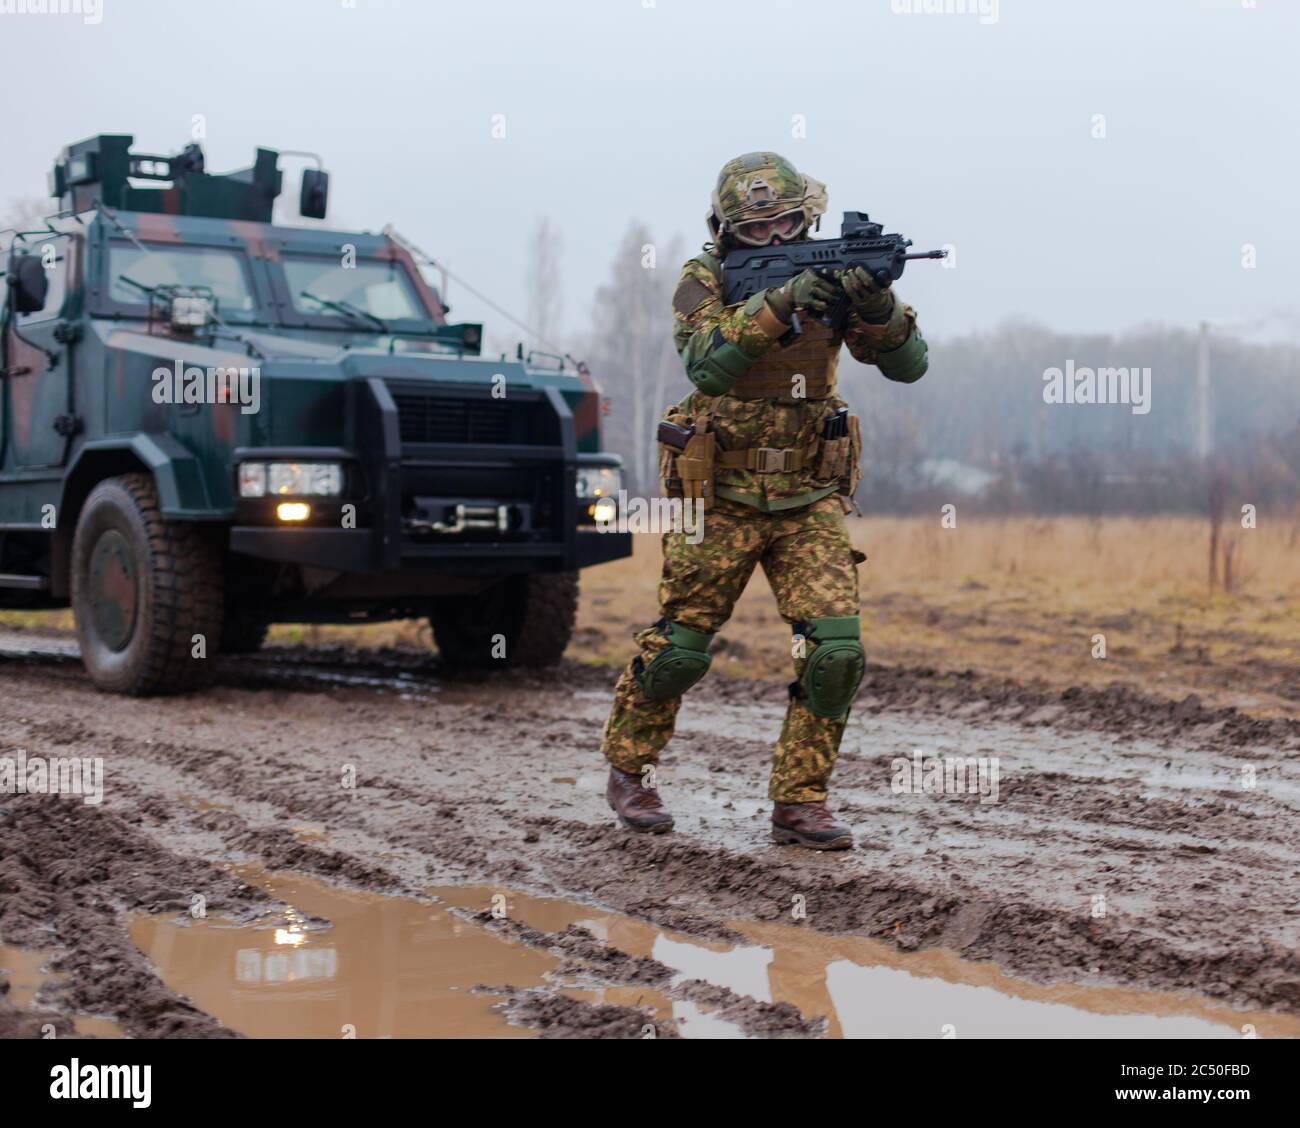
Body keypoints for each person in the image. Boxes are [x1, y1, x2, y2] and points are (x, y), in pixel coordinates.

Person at [600, 152, 930, 850]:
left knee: (835, 652)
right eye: (756, 230)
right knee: (680, 650)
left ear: (803, 217)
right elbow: (707, 364)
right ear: (727, 228)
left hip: (808, 493)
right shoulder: (705, 278)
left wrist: (873, 303)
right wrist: (784, 302)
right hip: (718, 490)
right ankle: (630, 769)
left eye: (784, 223)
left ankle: (800, 800)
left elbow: (908, 365)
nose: (774, 239)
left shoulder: (834, 276)